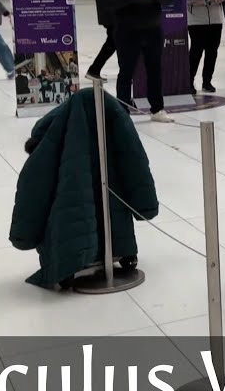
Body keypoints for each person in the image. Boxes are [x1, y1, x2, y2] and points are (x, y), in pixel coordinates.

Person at [11, 88, 158, 289]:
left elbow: (33, 188)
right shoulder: (115, 117)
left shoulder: (52, 135)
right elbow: (135, 162)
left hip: (68, 237)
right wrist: (146, 205)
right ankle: (118, 248)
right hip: (117, 228)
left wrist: (23, 235)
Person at [106, 0, 175, 123]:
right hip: (126, 33)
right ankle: (122, 112)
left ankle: (158, 109)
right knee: (126, 72)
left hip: (153, 31)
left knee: (154, 71)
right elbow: (109, 3)